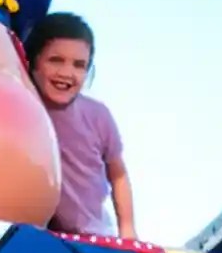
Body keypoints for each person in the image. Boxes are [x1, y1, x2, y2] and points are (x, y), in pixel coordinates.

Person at [25, 12, 138, 238]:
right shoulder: (23, 106)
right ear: (33, 61)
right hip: (37, 235)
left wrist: (128, 230)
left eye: (79, 65)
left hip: (92, 236)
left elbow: (118, 174)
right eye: (55, 60)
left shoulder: (98, 116)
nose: (67, 73)